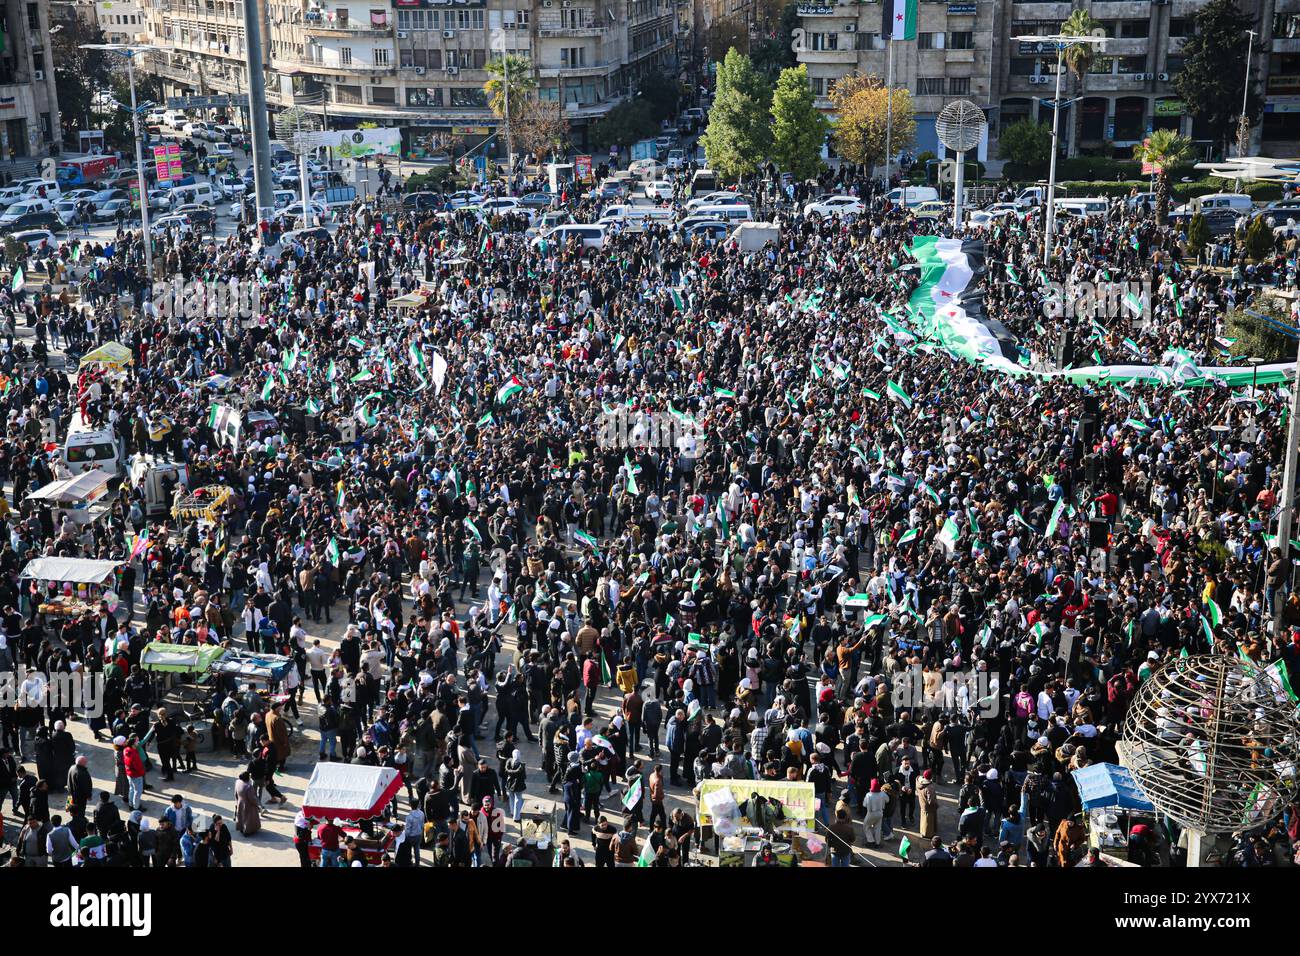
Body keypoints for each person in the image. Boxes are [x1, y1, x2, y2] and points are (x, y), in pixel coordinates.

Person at [235, 771, 261, 836]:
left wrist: (237, 801)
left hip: (240, 802)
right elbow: (252, 798)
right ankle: (247, 831)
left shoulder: (238, 782)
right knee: (248, 819)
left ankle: (241, 828)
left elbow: (236, 793)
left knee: (241, 816)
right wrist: (257, 804)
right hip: (248, 804)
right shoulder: (249, 786)